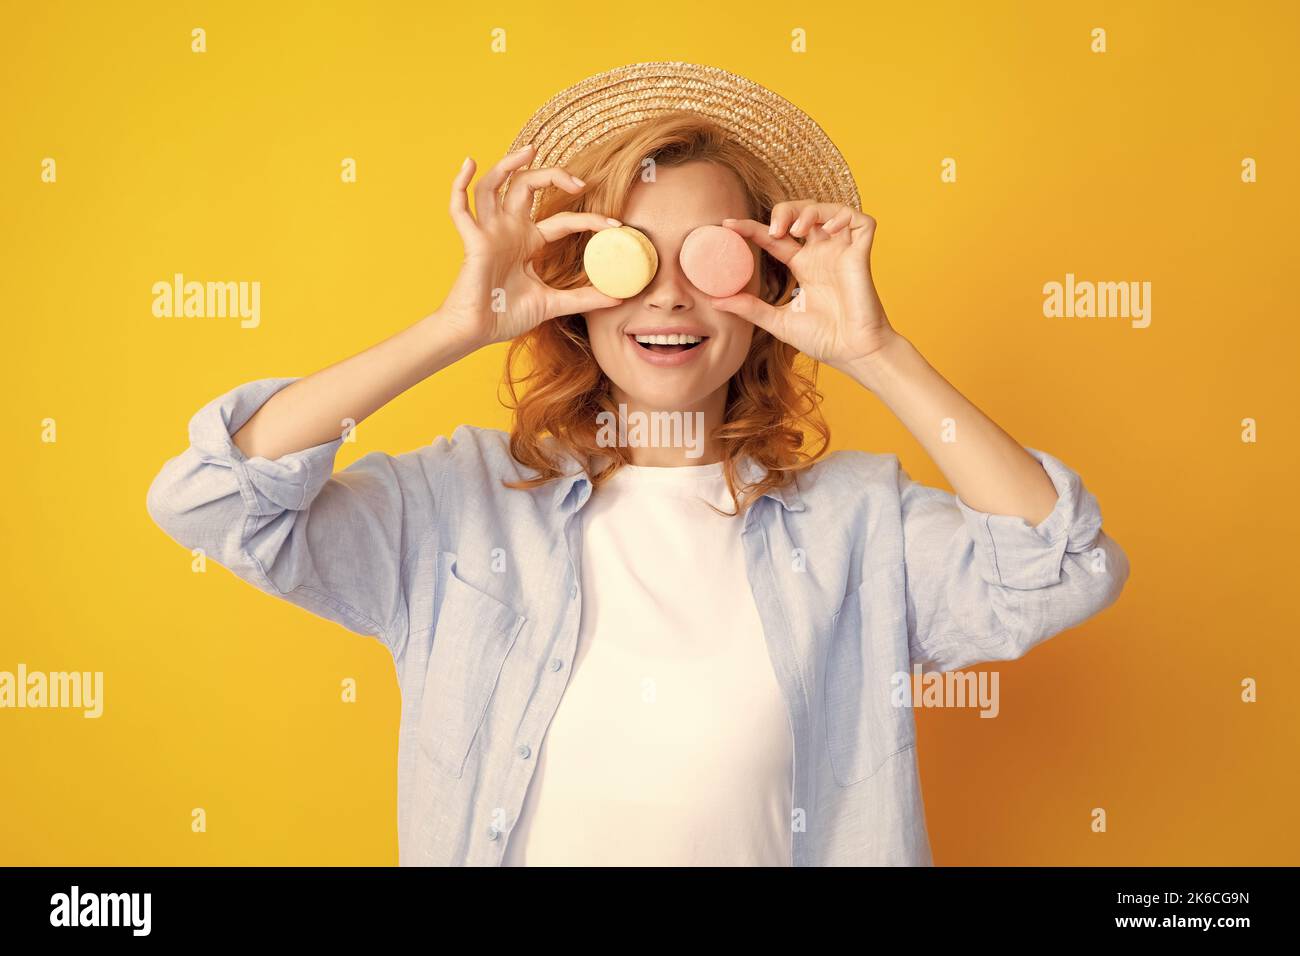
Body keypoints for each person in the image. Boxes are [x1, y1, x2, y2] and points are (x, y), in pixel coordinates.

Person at [145, 62, 1129, 866]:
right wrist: (454, 327)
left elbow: (1059, 566)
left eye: (708, 259)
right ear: (576, 283)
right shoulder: (455, 509)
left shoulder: (858, 524)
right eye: (628, 255)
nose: (665, 298)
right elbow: (213, 498)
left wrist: (874, 349)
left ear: (766, 289)